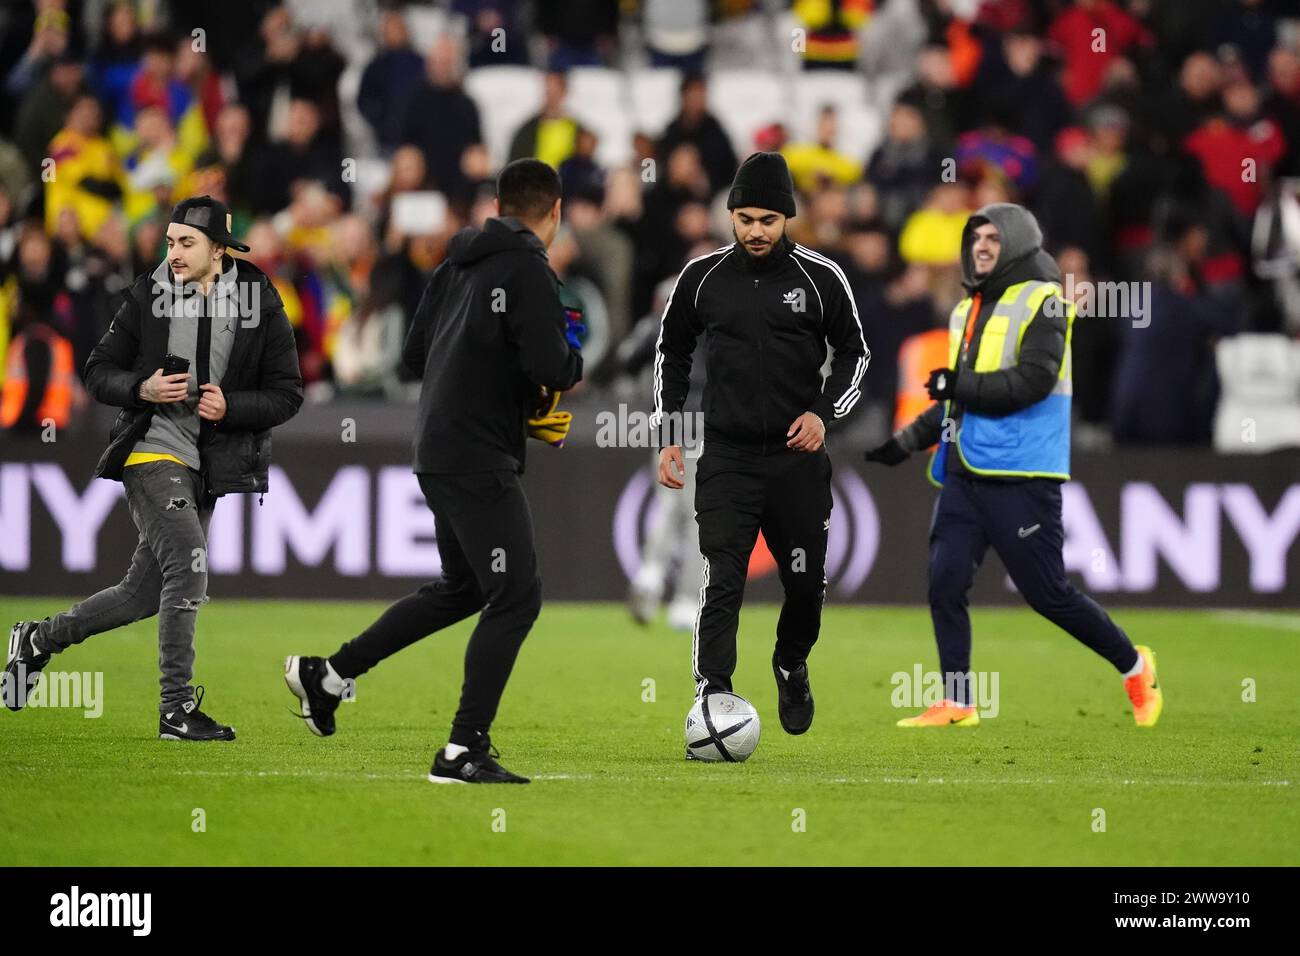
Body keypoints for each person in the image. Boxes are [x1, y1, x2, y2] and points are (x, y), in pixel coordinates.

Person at [284, 160, 583, 785]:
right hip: (477, 456)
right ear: (554, 211)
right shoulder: (529, 267)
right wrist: (559, 372)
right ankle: (461, 750)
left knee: (466, 588)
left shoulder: (455, 262)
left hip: (437, 448)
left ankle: (328, 675)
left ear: (497, 204)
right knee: (516, 595)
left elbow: (418, 355)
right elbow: (552, 364)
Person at [4, 196, 304, 739]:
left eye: (186, 242)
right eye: (169, 241)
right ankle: (175, 709)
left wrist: (232, 406)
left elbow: (287, 394)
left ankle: (38, 639)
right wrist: (140, 388)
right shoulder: (150, 293)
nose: (174, 253)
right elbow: (97, 372)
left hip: (207, 465)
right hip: (151, 449)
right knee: (188, 568)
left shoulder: (259, 297)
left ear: (219, 250)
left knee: (143, 593)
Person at [863, 202, 1163, 728]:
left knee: (1048, 594)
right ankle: (957, 700)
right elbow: (958, 399)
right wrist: (907, 440)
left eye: (993, 239)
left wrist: (959, 387)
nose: (980, 245)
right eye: (975, 237)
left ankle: (1135, 665)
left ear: (1019, 244)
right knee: (945, 580)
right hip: (965, 470)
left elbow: (1032, 384)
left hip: (1023, 472)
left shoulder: (1046, 304)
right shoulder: (966, 310)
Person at [652, 152, 869, 744]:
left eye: (768, 220)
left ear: (787, 220)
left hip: (796, 461)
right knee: (723, 574)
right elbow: (671, 351)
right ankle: (713, 692)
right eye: (744, 218)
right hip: (726, 454)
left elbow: (856, 355)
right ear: (730, 215)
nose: (754, 231)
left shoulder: (821, 278)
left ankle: (790, 663)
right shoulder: (701, 279)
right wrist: (670, 431)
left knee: (804, 584)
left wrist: (824, 415)